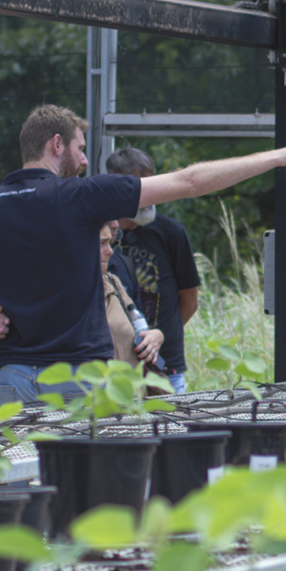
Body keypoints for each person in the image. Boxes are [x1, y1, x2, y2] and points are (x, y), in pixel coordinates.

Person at [0, 104, 286, 405]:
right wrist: (281, 156)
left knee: (29, 488)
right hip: (78, 377)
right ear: (56, 144)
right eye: (81, 148)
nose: (85, 161)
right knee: (89, 495)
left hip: (13, 376)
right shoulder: (82, 197)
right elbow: (190, 182)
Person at [106, 147, 201, 394]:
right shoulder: (100, 234)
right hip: (117, 366)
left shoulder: (172, 233)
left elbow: (190, 301)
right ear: (119, 187)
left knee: (171, 430)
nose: (151, 195)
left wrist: (160, 337)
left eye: (153, 184)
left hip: (165, 366)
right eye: (142, 187)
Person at [99, 221, 163, 368]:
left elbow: (137, 326)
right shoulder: (62, 291)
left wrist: (155, 336)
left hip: (131, 386)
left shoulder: (113, 281)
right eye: (102, 243)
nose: (110, 251)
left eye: (111, 243)